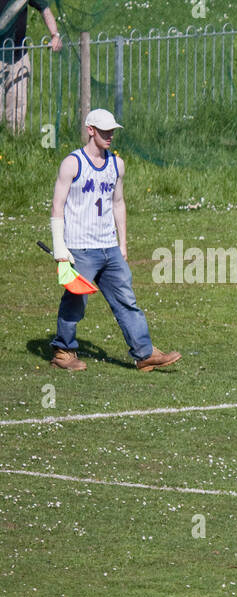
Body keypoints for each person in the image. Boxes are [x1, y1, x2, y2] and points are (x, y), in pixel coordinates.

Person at [48, 109, 181, 372]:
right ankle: (63, 351)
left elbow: (118, 203)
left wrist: (122, 244)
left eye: (112, 131)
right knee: (75, 301)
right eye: (104, 130)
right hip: (80, 248)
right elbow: (57, 206)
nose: (110, 135)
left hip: (109, 247)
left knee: (126, 300)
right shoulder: (72, 163)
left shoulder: (116, 165)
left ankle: (144, 354)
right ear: (90, 130)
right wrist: (60, 248)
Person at [1, 0, 62, 134]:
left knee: (18, 104)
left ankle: (15, 142)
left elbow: (44, 8)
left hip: (18, 56)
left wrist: (55, 35)